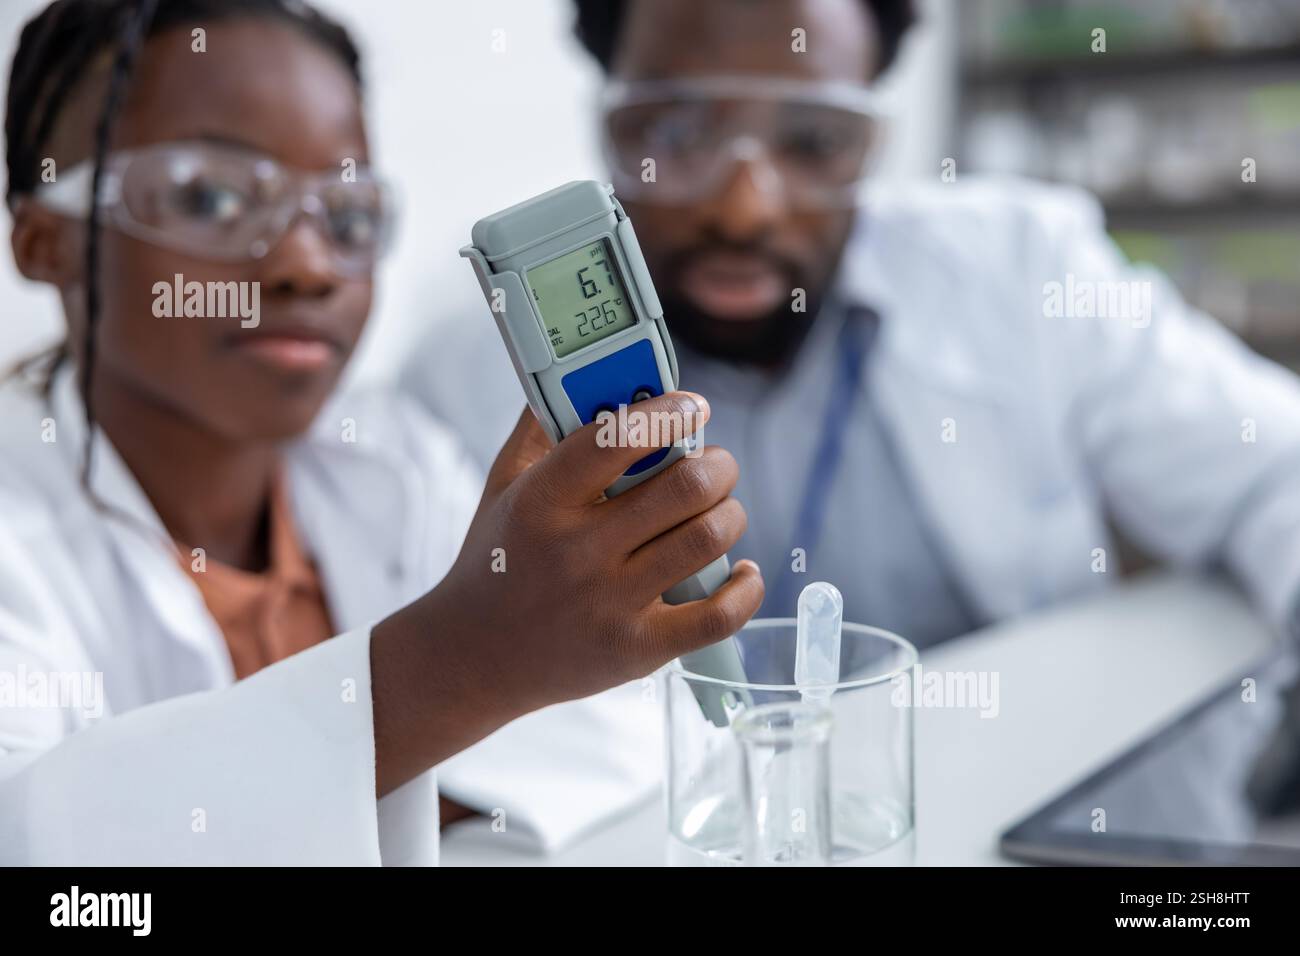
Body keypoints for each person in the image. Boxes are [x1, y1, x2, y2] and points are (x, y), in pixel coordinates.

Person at [403, 0, 1300, 815]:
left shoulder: (1025, 268)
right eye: (676, 132)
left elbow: (1276, 468)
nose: (743, 206)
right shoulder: (461, 380)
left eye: (815, 141)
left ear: (874, 137)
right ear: (611, 129)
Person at [0, 0, 762, 864]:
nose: (305, 264)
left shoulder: (389, 460)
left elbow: (616, 739)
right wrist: (454, 667)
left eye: (349, 216)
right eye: (208, 196)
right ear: (44, 240)